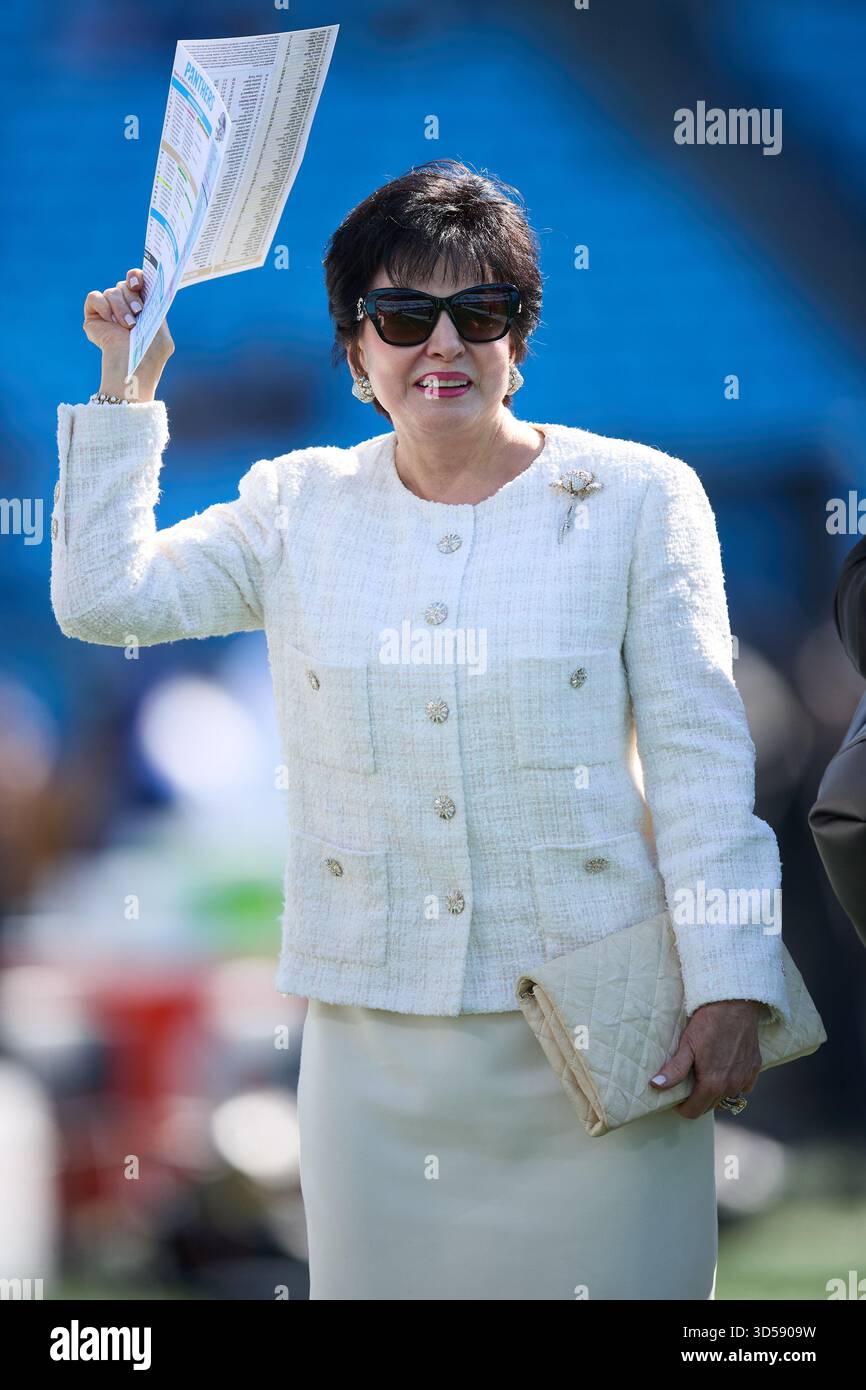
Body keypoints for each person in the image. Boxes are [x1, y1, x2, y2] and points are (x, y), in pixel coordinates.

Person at [52, 158, 792, 1301]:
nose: (439, 344)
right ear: (355, 354)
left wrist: (730, 984)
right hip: (371, 1055)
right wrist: (124, 388)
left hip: (607, 1031)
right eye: (402, 315)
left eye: (477, 311)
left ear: (518, 339)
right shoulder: (292, 506)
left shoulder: (644, 499)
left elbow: (702, 767)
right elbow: (105, 599)